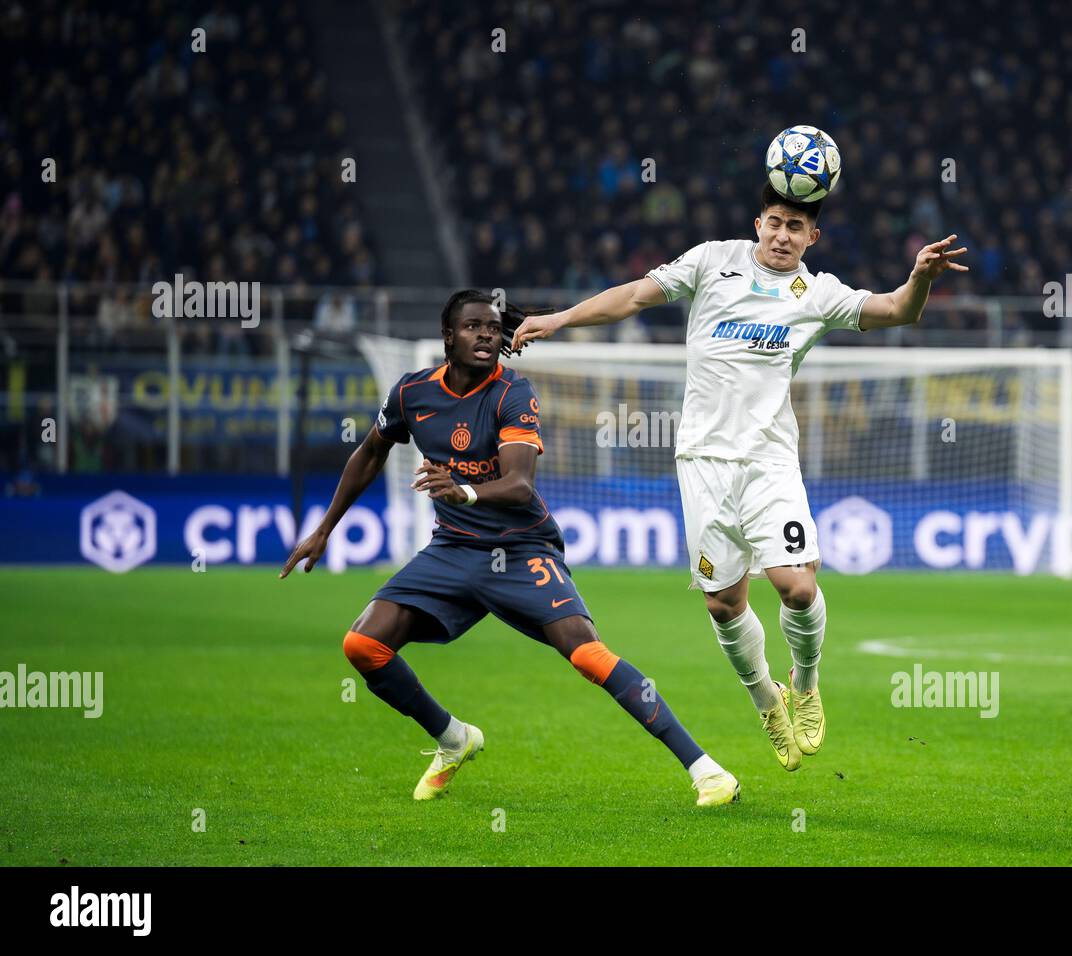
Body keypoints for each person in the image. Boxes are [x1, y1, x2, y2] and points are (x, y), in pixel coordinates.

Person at [512, 183, 967, 771]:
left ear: (813, 238)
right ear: (758, 224)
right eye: (775, 223)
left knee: (797, 586)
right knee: (724, 604)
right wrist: (560, 319)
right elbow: (633, 296)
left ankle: (804, 683)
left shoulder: (817, 293)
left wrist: (921, 277)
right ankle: (765, 701)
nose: (783, 236)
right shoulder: (711, 261)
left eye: (795, 228)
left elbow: (895, 311)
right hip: (702, 462)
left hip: (769, 461)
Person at [280, 290, 739, 807]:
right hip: (453, 549)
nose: (485, 335)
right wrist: (324, 529)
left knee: (588, 654)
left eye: (493, 329)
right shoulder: (411, 394)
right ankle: (453, 738)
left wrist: (464, 489)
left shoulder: (512, 394)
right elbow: (369, 453)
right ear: (448, 337)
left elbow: (519, 483)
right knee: (363, 646)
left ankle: (707, 771)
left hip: (521, 548)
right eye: (473, 327)